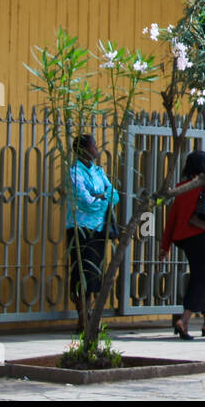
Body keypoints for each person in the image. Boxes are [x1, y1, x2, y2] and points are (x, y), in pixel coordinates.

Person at [159, 150, 205, 339]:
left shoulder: (182, 187)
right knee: (203, 279)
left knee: (202, 276)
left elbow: (172, 218)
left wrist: (164, 246)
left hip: (185, 240)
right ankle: (184, 320)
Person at [65, 134, 118, 334]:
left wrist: (101, 197)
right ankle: (82, 318)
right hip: (80, 229)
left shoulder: (98, 172)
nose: (96, 149)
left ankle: (92, 319)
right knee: (81, 274)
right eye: (93, 146)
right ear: (84, 150)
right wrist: (102, 197)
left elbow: (115, 196)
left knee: (95, 274)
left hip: (98, 229)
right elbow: (84, 201)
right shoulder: (75, 172)